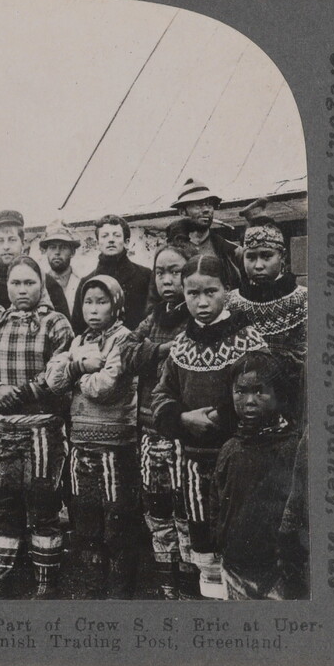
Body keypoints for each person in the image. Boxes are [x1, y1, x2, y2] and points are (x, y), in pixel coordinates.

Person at [149, 255, 266, 599]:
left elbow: (260, 393)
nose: (201, 302)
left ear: (228, 291)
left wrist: (219, 418)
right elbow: (161, 393)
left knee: (239, 539)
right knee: (204, 543)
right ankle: (210, 611)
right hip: (193, 462)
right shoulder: (183, 344)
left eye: (210, 292)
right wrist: (181, 419)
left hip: (239, 460)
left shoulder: (247, 340)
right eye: (192, 293)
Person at [0, 256, 74, 599]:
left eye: (29, 282)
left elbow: (62, 370)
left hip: (40, 430)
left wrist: (27, 392)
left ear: (41, 285)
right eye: (15, 283)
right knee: (3, 504)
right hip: (0, 430)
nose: (22, 289)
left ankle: (46, 580)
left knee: (44, 502)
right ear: (7, 286)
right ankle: (2, 577)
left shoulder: (56, 323)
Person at [41, 275, 140, 598]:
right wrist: (79, 366)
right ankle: (93, 580)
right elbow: (53, 381)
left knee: (117, 515)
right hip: (81, 440)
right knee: (86, 515)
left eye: (102, 301)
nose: (93, 309)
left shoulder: (124, 339)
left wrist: (74, 374)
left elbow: (105, 387)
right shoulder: (79, 340)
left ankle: (120, 584)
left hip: (114, 443)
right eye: (88, 302)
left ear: (117, 304)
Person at [122, 245, 196, 599]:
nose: (168, 280)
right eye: (161, 272)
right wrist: (162, 350)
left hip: (186, 431)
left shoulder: (199, 316)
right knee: (158, 504)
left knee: (188, 506)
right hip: (151, 430)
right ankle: (166, 577)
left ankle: (191, 576)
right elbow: (126, 354)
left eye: (176, 271)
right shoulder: (153, 319)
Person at [213, 351, 306, 600]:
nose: (249, 400)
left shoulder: (291, 448)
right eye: (240, 392)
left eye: (259, 391)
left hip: (277, 569)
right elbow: (220, 501)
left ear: (279, 393)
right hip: (235, 564)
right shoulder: (231, 448)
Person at [228, 211, 306, 372]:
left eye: (266, 256)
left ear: (282, 256)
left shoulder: (305, 301)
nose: (258, 265)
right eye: (251, 257)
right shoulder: (229, 303)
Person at [72, 215, 154, 332]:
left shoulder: (145, 275)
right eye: (105, 236)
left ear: (126, 242)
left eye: (116, 235)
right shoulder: (87, 282)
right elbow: (78, 326)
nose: (111, 240)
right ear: (97, 243)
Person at [0, 209, 70, 317]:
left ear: (23, 244)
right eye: (0, 241)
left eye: (12, 240)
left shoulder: (46, 283)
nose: (6, 247)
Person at [167, 179, 243, 289]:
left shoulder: (232, 251)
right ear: (182, 212)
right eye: (198, 205)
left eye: (209, 204)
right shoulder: (169, 252)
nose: (207, 210)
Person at [38, 220, 81, 305]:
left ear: (72, 252)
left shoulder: (81, 282)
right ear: (46, 251)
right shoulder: (39, 283)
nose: (57, 252)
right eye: (52, 247)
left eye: (63, 247)